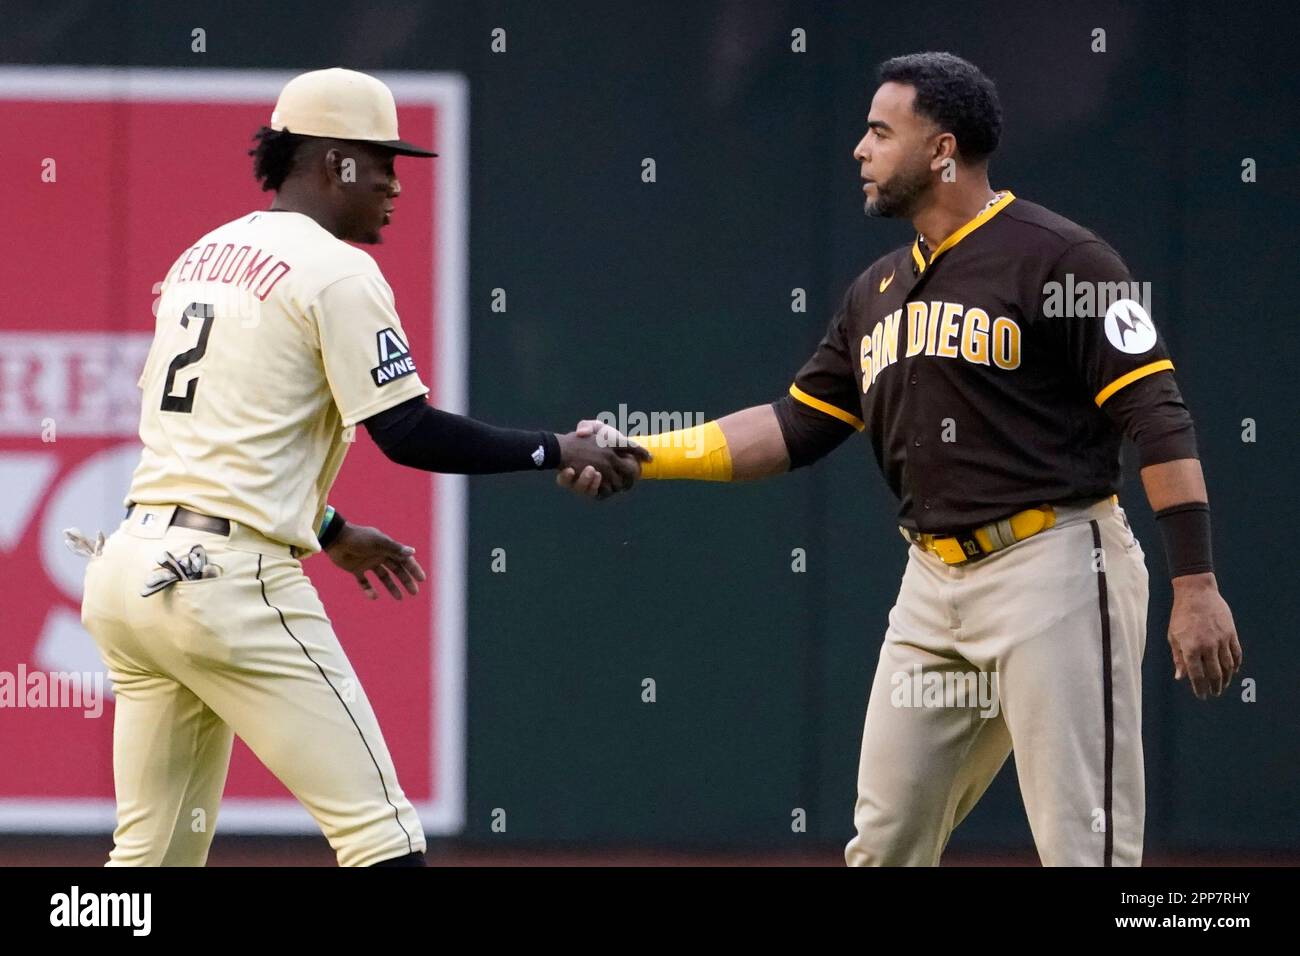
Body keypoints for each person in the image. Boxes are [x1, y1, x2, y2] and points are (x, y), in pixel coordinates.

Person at [561, 52, 1241, 866]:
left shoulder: (1061, 258)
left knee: (1084, 850)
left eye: (882, 131)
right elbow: (796, 424)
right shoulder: (878, 290)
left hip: (1054, 570)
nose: (860, 148)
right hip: (932, 590)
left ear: (943, 149)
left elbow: (1157, 415)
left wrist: (1195, 582)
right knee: (885, 848)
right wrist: (644, 452)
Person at [80, 67, 647, 867]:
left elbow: (210, 445)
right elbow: (408, 432)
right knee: (382, 838)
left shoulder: (202, 255)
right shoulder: (336, 270)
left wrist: (331, 528)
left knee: (150, 863)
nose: (395, 183)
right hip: (227, 585)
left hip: (131, 575)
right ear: (333, 160)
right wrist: (558, 447)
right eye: (382, 160)